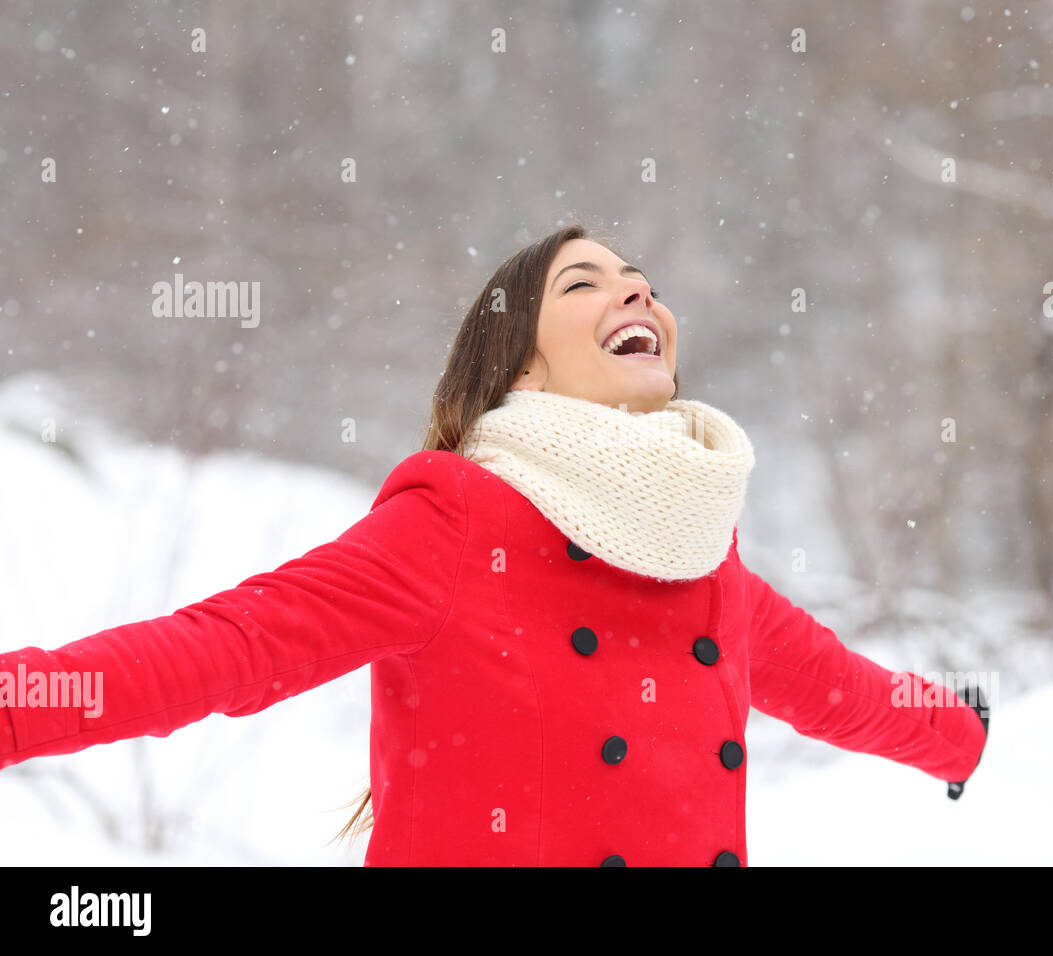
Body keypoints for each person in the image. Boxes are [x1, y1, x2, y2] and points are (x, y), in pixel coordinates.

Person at [0, 223, 989, 866]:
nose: (636, 296)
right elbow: (225, 646)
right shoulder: (457, 523)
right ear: (520, 357)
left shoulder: (701, 559)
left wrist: (957, 729)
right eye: (587, 284)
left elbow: (840, 689)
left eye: (645, 285)